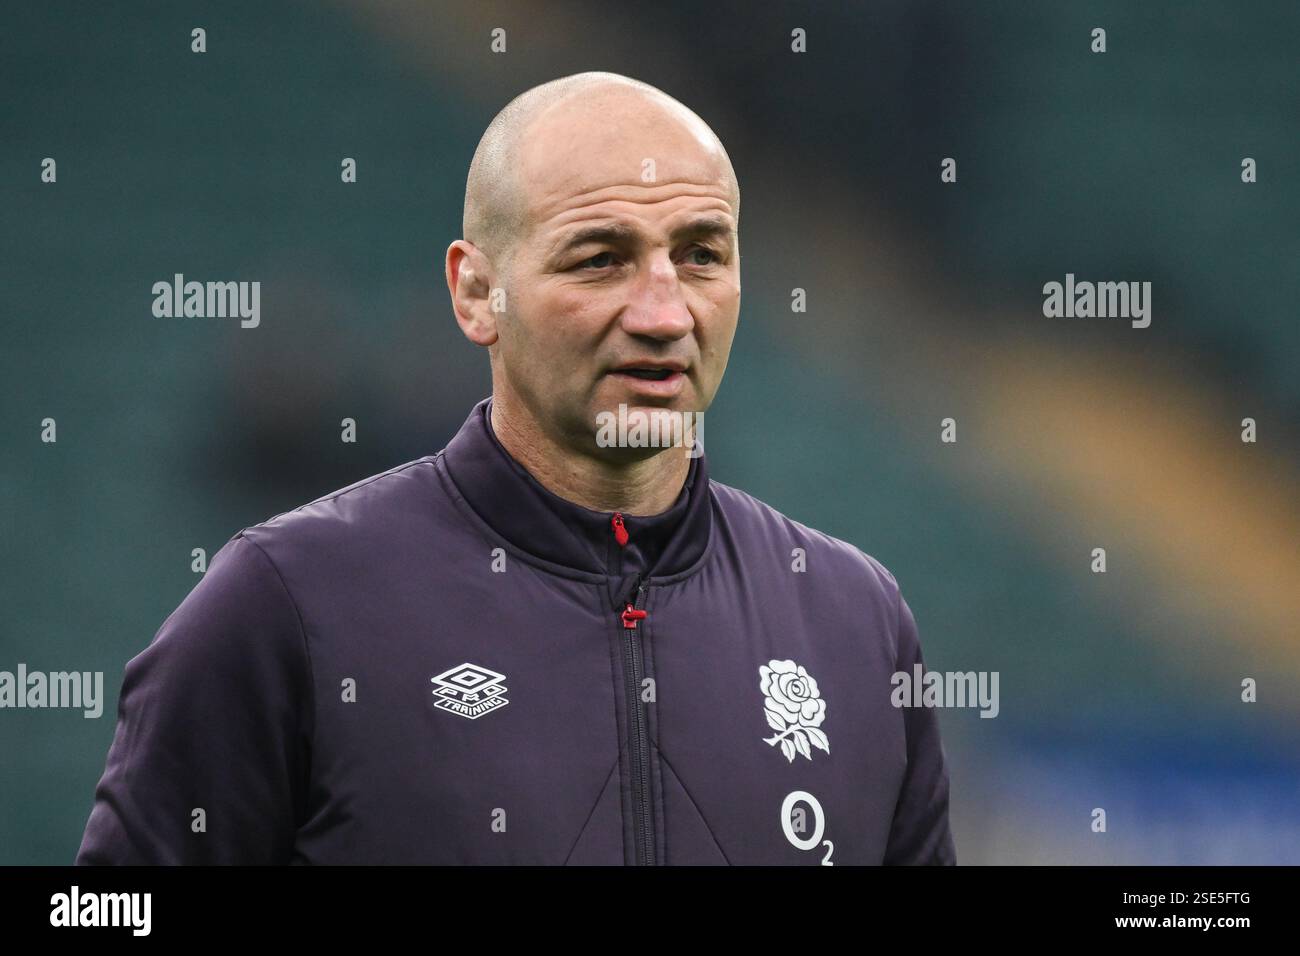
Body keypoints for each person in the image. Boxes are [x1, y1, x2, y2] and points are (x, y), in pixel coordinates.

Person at [77, 71, 955, 865]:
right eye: (600, 259)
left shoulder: (854, 619)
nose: (664, 311)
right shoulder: (286, 603)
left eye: (701, 254)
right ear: (474, 294)